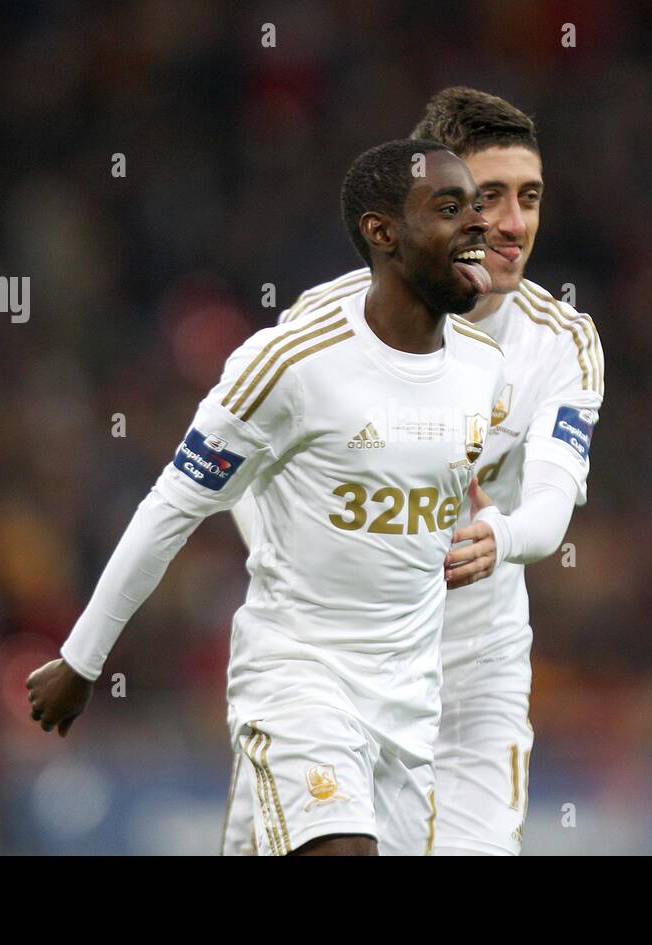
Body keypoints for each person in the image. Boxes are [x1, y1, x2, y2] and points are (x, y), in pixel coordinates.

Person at [27, 139, 508, 856]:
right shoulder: (290, 365)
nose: (478, 222)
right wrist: (82, 658)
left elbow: (451, 490)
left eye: (477, 205)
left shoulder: (482, 371)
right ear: (382, 233)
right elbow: (172, 504)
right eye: (448, 208)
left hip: (409, 709)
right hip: (298, 678)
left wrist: (495, 526)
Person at [225, 88, 604, 856]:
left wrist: (499, 536)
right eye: (486, 196)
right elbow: (238, 473)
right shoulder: (324, 327)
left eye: (527, 198)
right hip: (339, 662)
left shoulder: (561, 343)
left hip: (476, 673)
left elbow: (551, 505)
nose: (510, 224)